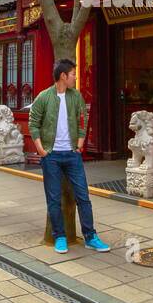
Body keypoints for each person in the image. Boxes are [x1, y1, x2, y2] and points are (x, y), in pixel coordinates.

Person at [27, 59, 110, 255]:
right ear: (63, 76)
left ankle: (90, 236)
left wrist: (80, 143)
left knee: (83, 196)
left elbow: (83, 119)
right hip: (51, 155)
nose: (75, 77)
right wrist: (40, 149)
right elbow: (33, 123)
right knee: (54, 198)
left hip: (72, 155)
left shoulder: (76, 96)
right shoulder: (44, 97)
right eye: (73, 74)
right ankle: (60, 236)